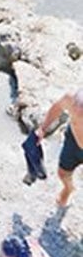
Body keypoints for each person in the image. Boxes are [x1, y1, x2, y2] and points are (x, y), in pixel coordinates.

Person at [40, 84, 83, 212]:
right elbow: (57, 107)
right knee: (63, 173)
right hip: (73, 143)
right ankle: (68, 189)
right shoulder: (71, 100)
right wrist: (43, 129)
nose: (78, 112)